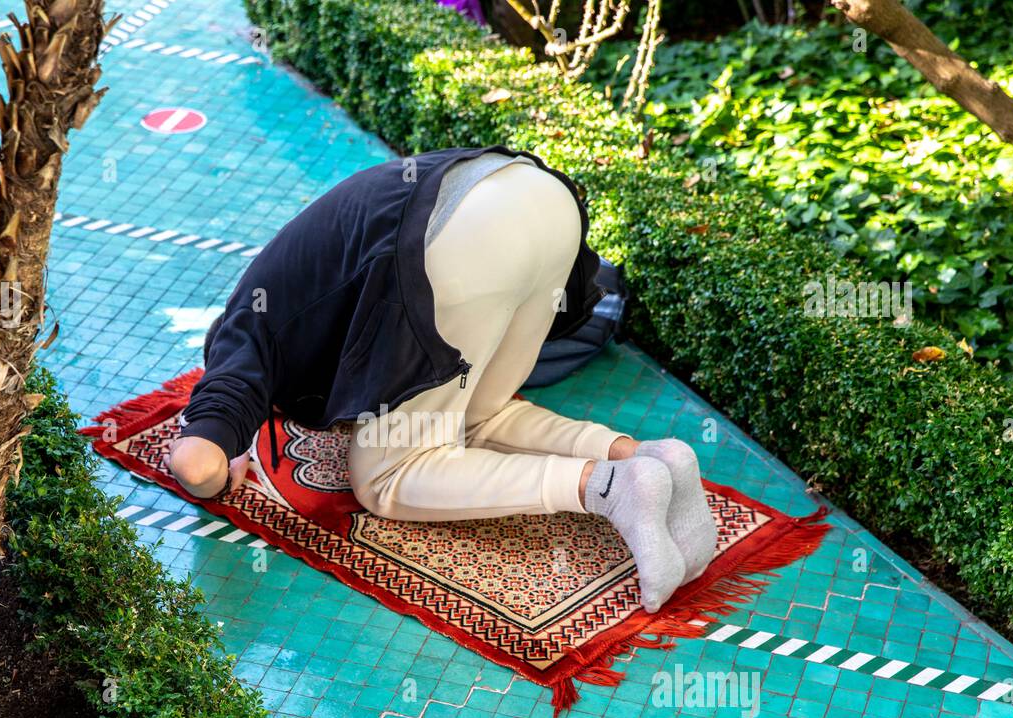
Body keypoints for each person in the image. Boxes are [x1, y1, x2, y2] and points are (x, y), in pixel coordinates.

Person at [167, 146, 717, 612]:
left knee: (385, 474)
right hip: (538, 197)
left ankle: (612, 487)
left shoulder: (242, 334)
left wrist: (220, 464)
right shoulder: (286, 276)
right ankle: (651, 457)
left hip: (464, 244)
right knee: (479, 412)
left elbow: (194, 462)